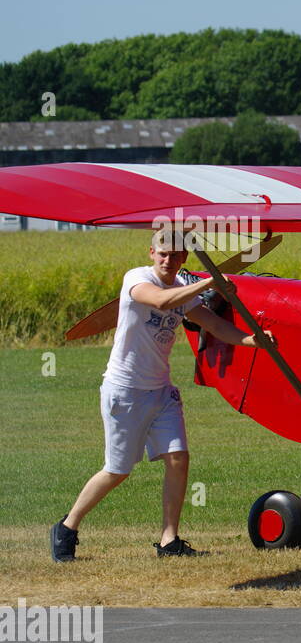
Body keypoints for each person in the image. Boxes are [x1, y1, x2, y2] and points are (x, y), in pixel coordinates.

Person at [50, 229, 274, 562]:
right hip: (125, 391)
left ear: (184, 258)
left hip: (161, 391)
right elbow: (161, 301)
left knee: (178, 458)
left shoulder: (183, 291)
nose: (168, 260)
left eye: (175, 255)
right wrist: (210, 283)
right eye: (163, 254)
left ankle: (169, 540)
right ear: (151, 253)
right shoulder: (137, 279)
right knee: (117, 471)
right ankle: (67, 527)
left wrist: (253, 341)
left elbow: (214, 325)